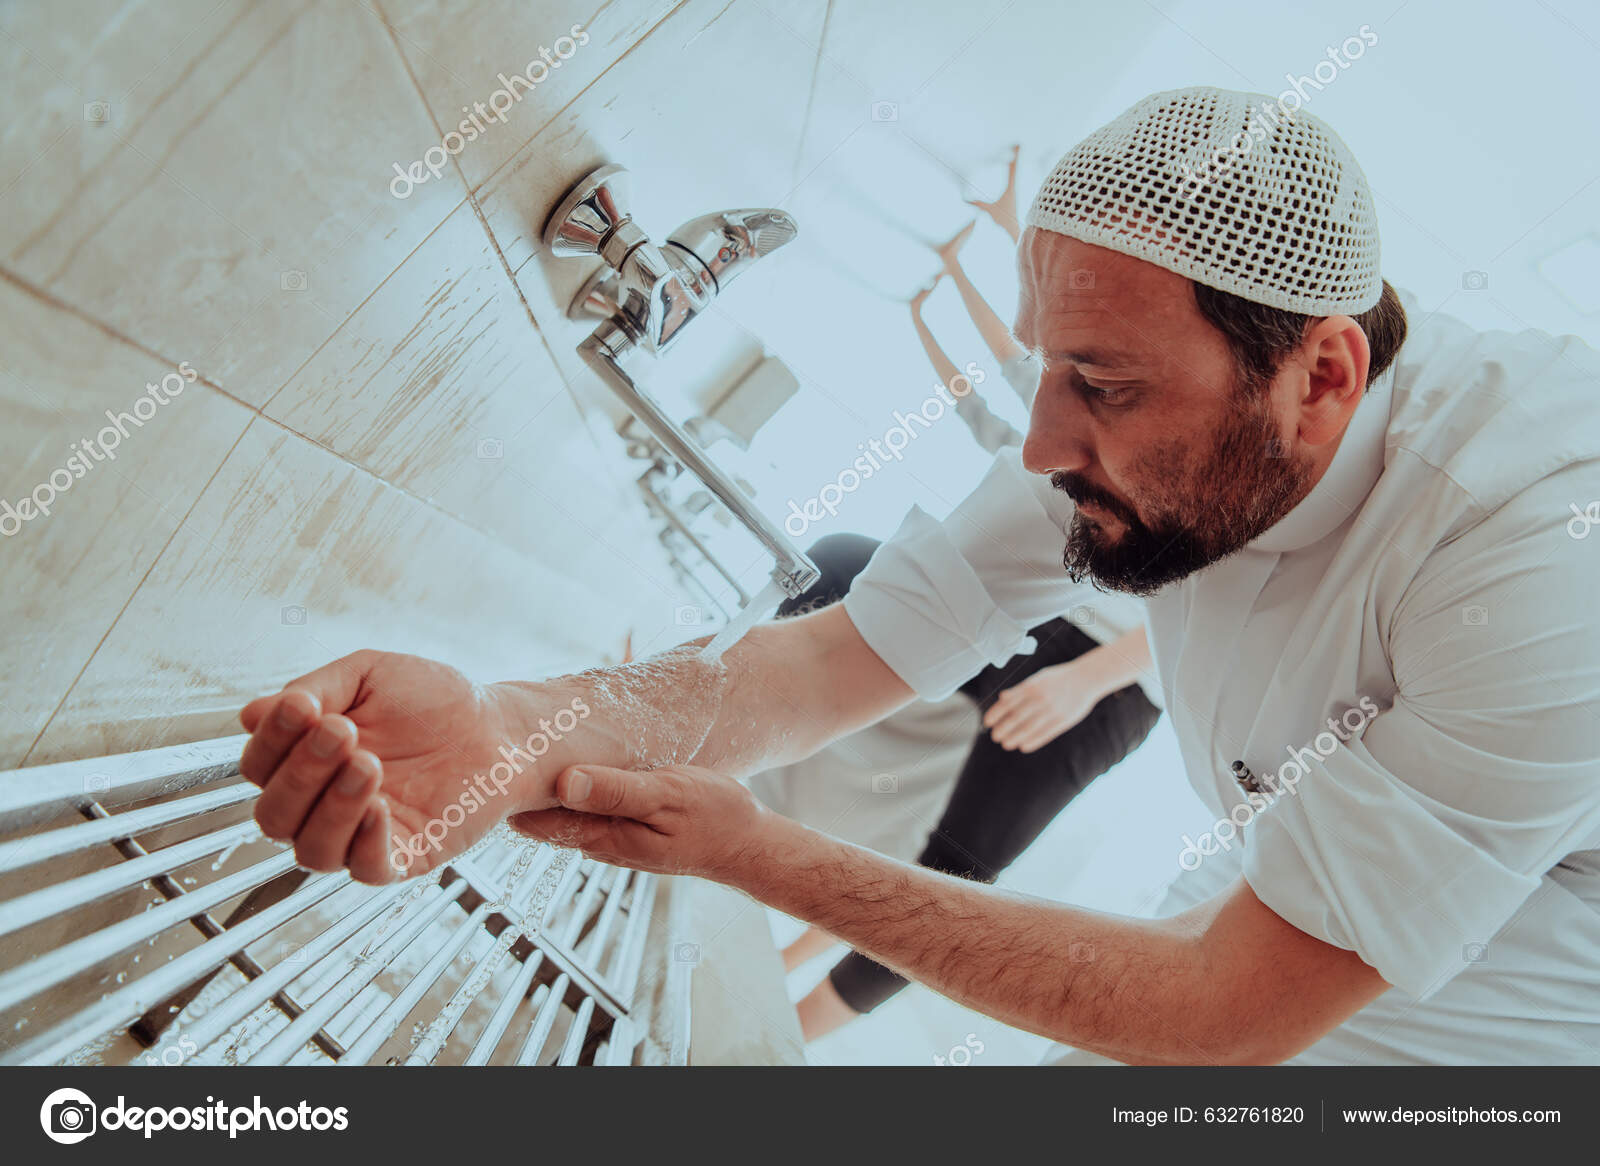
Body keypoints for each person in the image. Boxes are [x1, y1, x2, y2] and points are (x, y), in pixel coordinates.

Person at [234, 87, 1600, 1064]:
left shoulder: (1539, 552)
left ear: (1320, 379)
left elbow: (1225, 1015)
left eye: (1104, 386)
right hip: (1270, 907)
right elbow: (836, 654)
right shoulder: (1140, 416)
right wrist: (508, 729)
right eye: (1047, 364)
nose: (1042, 441)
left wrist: (754, 849)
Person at [762, 530, 1159, 1039]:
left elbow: (1216, 611)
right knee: (837, 563)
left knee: (953, 881)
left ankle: (775, 1040)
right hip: (1026, 592)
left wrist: (1087, 680)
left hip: (1115, 672)